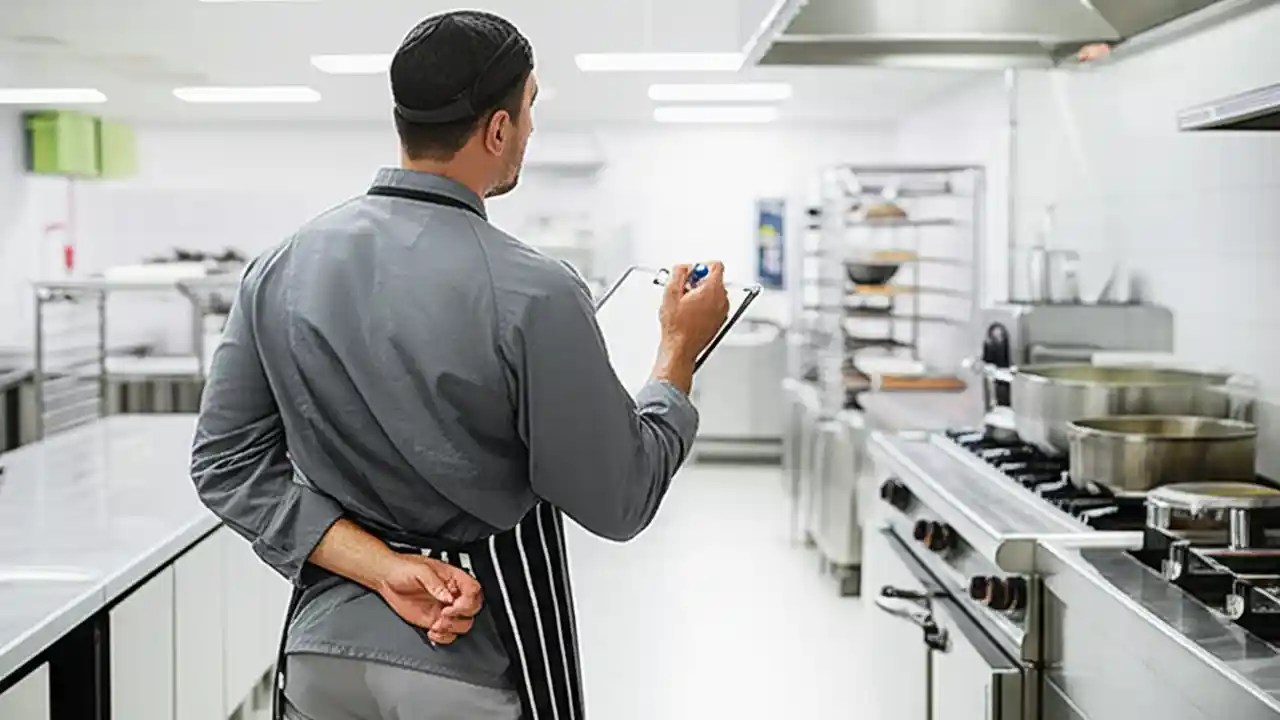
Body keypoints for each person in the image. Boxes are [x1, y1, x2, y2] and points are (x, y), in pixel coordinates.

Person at [189, 9, 730, 720]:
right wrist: (676, 356)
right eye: (530, 108)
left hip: (321, 656)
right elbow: (619, 499)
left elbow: (224, 463)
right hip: (471, 657)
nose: (530, 132)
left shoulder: (280, 267)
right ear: (499, 128)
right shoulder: (534, 289)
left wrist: (383, 567)